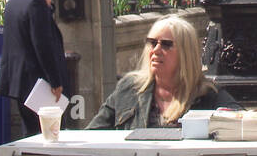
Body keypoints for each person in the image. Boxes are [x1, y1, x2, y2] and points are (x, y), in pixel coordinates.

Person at [88, 14, 237, 129]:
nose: (156, 50)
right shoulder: (128, 89)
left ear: (186, 53)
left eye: (166, 45)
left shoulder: (208, 96)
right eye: (152, 43)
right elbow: (93, 136)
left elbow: (245, 126)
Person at [0, 0, 68, 139]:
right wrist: (55, 81)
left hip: (17, 82)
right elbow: (43, 45)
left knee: (29, 131)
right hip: (36, 82)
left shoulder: (15, 0)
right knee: (48, 133)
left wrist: (48, 8)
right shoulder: (36, 3)